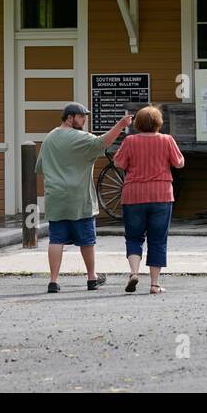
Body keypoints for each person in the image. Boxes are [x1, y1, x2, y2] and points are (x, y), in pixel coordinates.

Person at [35, 103, 132, 294]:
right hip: (80, 198)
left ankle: (53, 281)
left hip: (55, 197)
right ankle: (91, 277)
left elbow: (40, 168)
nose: (85, 120)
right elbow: (102, 142)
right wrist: (120, 125)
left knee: (56, 240)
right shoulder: (81, 138)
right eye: (81, 116)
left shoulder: (49, 138)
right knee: (87, 240)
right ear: (70, 118)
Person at [113, 105, 185, 294]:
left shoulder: (130, 141)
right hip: (161, 195)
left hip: (133, 195)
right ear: (159, 123)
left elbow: (118, 162)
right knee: (158, 239)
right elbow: (179, 163)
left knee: (134, 237)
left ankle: (134, 273)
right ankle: (154, 284)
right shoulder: (167, 140)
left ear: (138, 124)